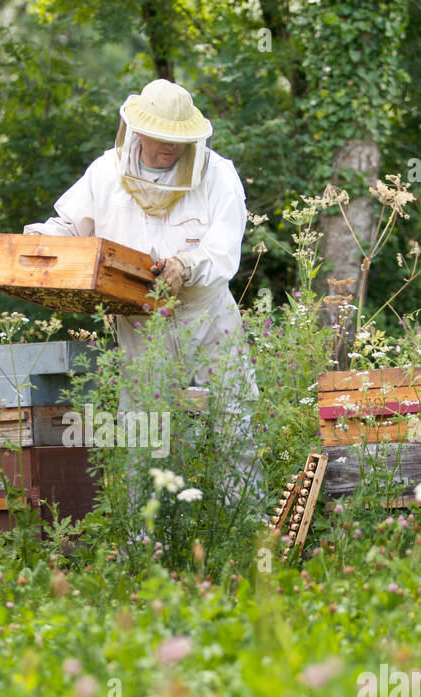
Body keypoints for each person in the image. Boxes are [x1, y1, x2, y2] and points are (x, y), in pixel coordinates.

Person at [23, 78, 263, 510]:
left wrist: (185, 266)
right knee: (143, 431)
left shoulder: (218, 174)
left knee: (233, 424)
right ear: (138, 130)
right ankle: (147, 540)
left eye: (179, 139)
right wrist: (38, 246)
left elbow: (223, 250)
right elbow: (69, 226)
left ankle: (246, 528)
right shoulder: (105, 173)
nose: (170, 147)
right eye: (161, 138)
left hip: (208, 317)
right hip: (138, 321)